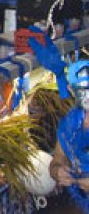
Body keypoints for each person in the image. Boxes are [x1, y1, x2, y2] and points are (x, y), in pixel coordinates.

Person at [51, 60, 89, 211]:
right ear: (71, 90)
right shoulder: (69, 124)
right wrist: (57, 171)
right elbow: (56, 161)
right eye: (82, 90)